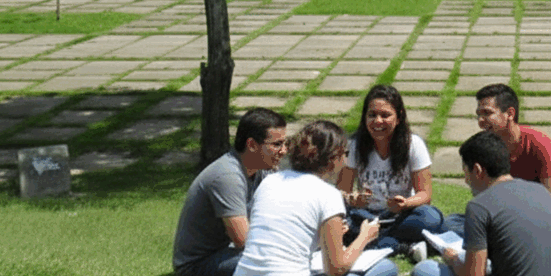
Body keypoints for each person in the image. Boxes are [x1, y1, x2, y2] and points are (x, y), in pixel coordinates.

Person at [235, 120, 397, 276]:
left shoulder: (269, 182)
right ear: (334, 158)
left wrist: (321, 237)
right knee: (386, 267)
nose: (346, 160)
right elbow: (335, 268)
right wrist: (365, 237)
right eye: (345, 154)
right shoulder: (329, 194)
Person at [413, 131, 551, 276]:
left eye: (465, 173)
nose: (466, 180)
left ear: (477, 170)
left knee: (425, 269)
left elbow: (474, 275)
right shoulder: (541, 192)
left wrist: (453, 259)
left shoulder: (479, 206)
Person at [443, 84, 551, 240]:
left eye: (487, 113)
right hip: (502, 220)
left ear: (510, 113)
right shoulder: (484, 147)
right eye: (478, 115)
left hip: (541, 219)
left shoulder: (539, 143)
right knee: (450, 223)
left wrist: (512, 215)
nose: (480, 121)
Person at [173, 108, 287, 276]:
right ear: (252, 145)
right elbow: (243, 240)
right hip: (198, 266)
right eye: (277, 144)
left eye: (285, 144)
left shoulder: (262, 170)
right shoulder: (228, 176)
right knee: (274, 261)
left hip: (229, 253)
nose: (284, 151)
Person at [336, 85, 442, 259]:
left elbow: (425, 194)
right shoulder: (354, 145)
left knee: (431, 217)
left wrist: (405, 203)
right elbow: (341, 191)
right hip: (363, 216)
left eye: (385, 115)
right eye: (372, 115)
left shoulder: (413, 144)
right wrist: (353, 199)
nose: (378, 121)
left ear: (398, 117)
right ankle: (401, 246)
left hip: (399, 216)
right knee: (338, 222)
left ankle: (368, 241)